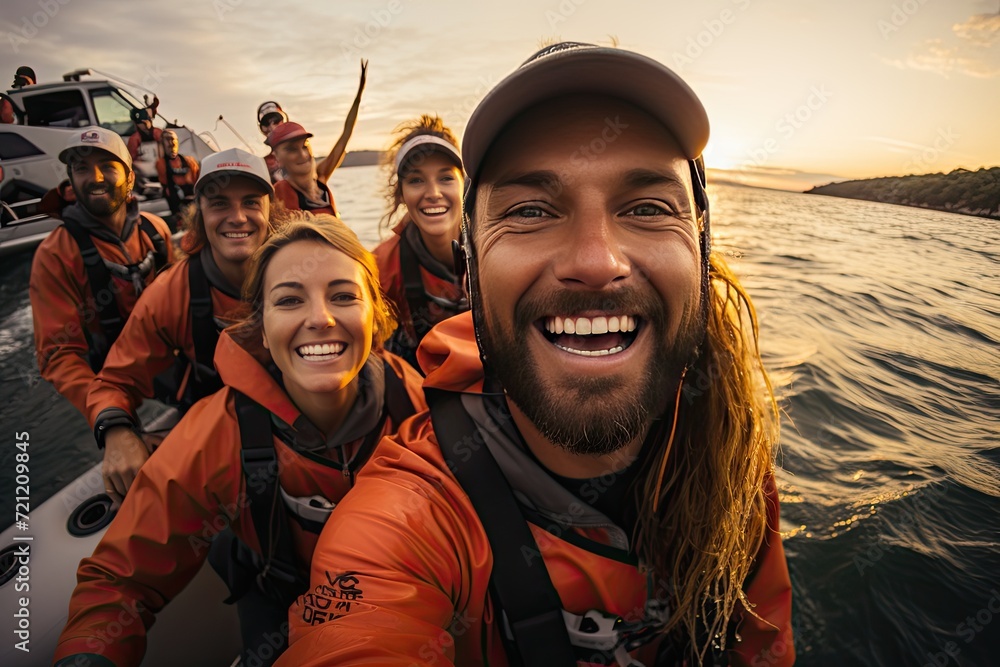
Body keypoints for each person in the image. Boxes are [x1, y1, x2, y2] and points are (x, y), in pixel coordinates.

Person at [278, 43, 795, 666]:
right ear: (472, 269)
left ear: (703, 250)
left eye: (649, 208)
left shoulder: (731, 450)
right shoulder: (408, 518)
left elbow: (765, 643)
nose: (596, 261)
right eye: (529, 210)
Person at [53, 212, 427, 667]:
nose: (321, 318)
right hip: (284, 606)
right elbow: (120, 580)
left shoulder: (417, 402)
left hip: (410, 603)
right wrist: (90, 654)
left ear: (375, 314)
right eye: (289, 301)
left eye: (344, 295)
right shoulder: (215, 433)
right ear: (261, 331)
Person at [88, 148, 275, 507]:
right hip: (221, 442)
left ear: (270, 210)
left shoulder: (306, 271)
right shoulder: (171, 292)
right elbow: (114, 380)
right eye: (219, 203)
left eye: (251, 202)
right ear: (199, 214)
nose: (237, 217)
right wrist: (117, 430)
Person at [29, 126, 173, 419]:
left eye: (107, 166)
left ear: (130, 176)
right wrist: (109, 413)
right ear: (70, 181)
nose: (95, 178)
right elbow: (60, 355)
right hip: (116, 389)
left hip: (175, 371)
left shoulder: (156, 231)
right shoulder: (55, 255)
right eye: (82, 168)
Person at [372, 115, 468, 370]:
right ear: (401, 193)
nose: (433, 193)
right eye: (416, 180)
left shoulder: (501, 247)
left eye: (446, 178)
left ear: (464, 186)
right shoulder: (379, 267)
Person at [266, 59, 368, 215]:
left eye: (305, 145)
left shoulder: (320, 178)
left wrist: (359, 95)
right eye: (292, 150)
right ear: (278, 158)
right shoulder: (280, 192)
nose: (303, 154)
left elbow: (345, 135)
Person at [154, 128, 200, 219]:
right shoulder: (161, 164)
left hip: (193, 203)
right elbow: (165, 184)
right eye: (167, 139)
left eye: (173, 139)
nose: (171, 143)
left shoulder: (190, 161)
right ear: (162, 144)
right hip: (176, 207)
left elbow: (198, 181)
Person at [257, 100, 289, 182]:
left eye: (276, 121)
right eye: (266, 124)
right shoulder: (262, 164)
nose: (272, 127)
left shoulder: (301, 152)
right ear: (263, 130)